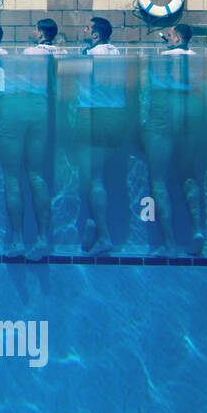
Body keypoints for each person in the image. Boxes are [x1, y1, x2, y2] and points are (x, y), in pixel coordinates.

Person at [0, 19, 66, 258]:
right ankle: (44, 237)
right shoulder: (60, 54)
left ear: (40, 32)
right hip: (40, 107)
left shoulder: (28, 53)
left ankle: (16, 239)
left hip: (13, 106)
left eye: (35, 29)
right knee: (36, 175)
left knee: (12, 177)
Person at [65, 16, 136, 255]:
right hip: (117, 116)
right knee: (107, 176)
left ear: (96, 34)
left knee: (93, 178)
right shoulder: (119, 54)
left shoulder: (88, 56)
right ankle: (94, 223)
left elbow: (66, 77)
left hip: (92, 115)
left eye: (86, 27)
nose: (83, 29)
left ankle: (102, 234)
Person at [140, 23, 207, 255]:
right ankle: (198, 230)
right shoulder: (199, 60)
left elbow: (146, 88)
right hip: (190, 111)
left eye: (168, 36)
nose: (165, 40)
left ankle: (168, 242)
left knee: (158, 179)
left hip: (162, 111)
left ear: (178, 38)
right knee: (189, 175)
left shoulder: (161, 59)